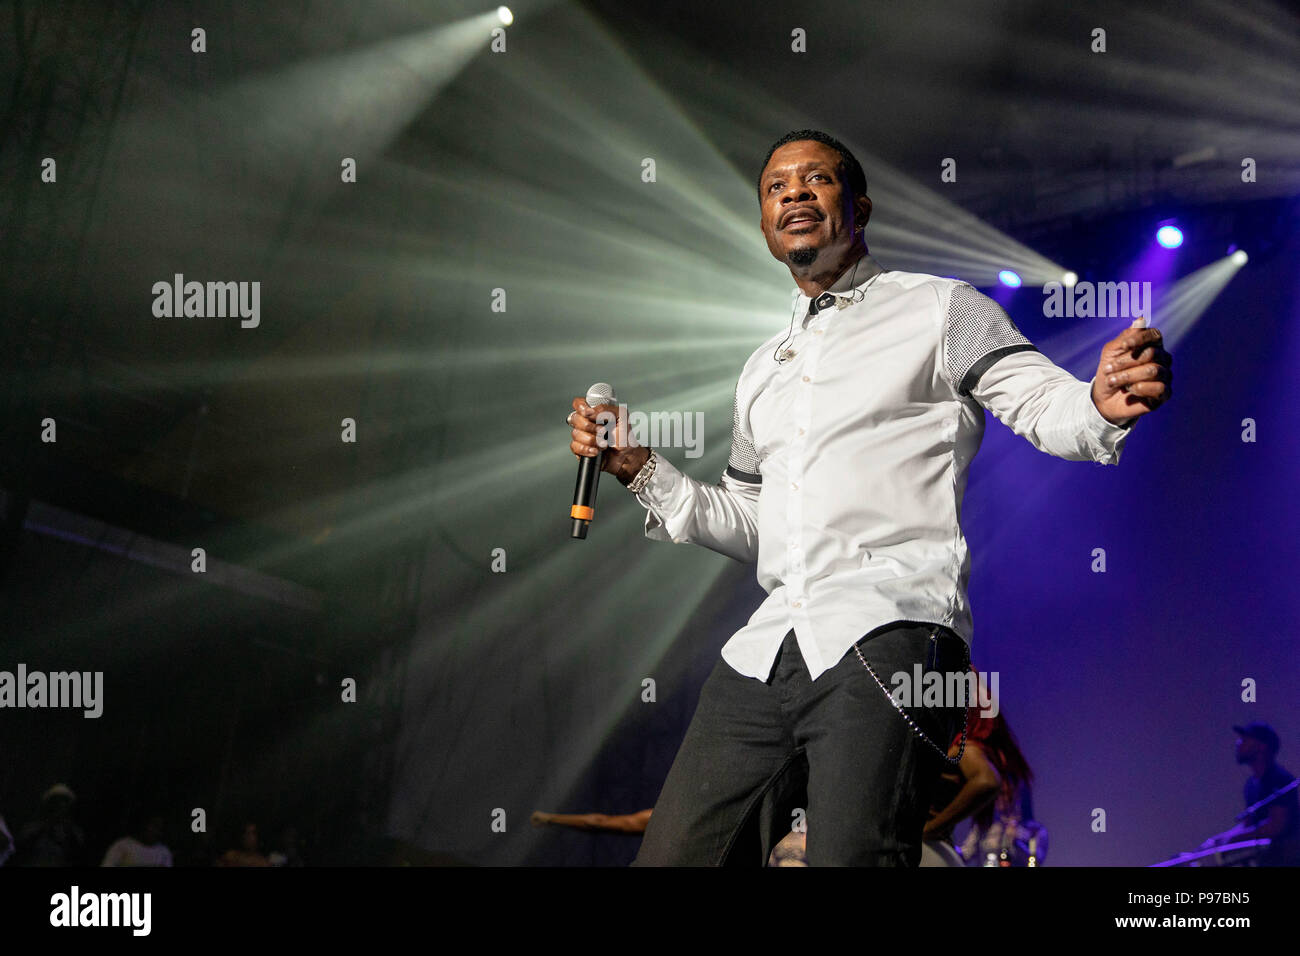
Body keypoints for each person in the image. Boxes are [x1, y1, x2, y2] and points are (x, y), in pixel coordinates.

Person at [567, 129, 1172, 866]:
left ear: (858, 205)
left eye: (816, 179)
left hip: (890, 630)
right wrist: (638, 467)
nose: (793, 192)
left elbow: (1044, 405)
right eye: (776, 187)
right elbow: (752, 520)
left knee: (852, 854)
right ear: (764, 224)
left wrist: (1102, 403)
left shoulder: (942, 309)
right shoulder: (763, 370)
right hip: (770, 648)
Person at [1203, 722, 1299, 866]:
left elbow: (1276, 825)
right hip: (1265, 858)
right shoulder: (1252, 784)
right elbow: (1249, 824)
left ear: (1262, 746)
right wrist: (1217, 841)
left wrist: (1231, 840)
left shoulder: (1280, 779)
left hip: (1285, 859)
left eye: (1245, 739)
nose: (1238, 743)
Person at [15, 784, 84, 866]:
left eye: (64, 802)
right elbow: (21, 849)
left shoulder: (73, 834)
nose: (60, 806)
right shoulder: (33, 828)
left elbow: (77, 856)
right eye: (56, 802)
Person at [102, 814, 173, 867]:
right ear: (144, 825)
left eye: (159, 828)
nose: (156, 831)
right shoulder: (123, 845)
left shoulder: (164, 851)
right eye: (154, 826)